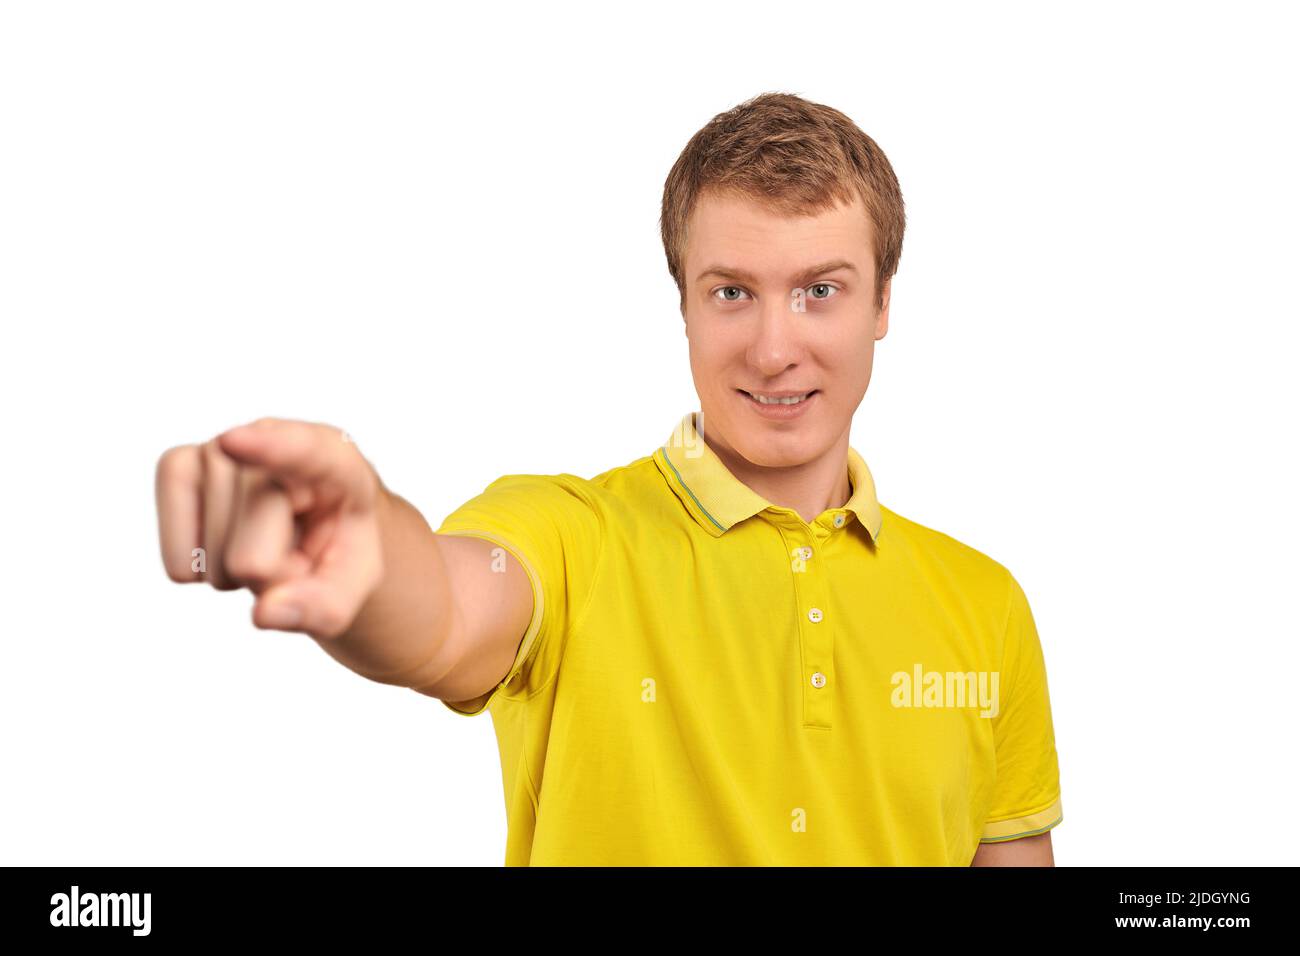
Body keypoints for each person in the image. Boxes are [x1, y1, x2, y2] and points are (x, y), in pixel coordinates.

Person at [155, 91, 1061, 866]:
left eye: (819, 290)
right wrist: (362, 558)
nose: (775, 349)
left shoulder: (986, 606)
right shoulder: (572, 535)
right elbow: (448, 608)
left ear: (883, 303)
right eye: (731, 292)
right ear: (685, 306)